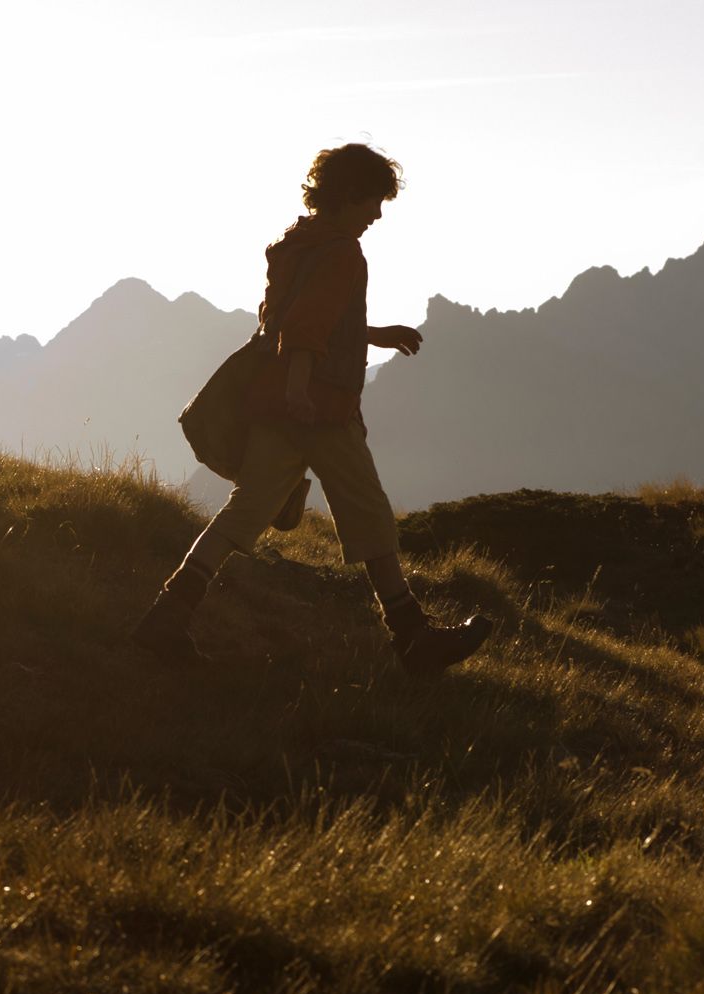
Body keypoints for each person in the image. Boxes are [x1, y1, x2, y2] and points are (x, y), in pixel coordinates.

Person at [132, 143, 492, 676]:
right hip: (320, 408)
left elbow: (293, 320)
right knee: (367, 511)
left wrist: (374, 334)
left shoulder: (297, 244)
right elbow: (303, 330)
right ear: (349, 195)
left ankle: (166, 615)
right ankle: (413, 637)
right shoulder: (343, 250)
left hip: (274, 402)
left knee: (246, 509)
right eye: (374, 201)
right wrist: (302, 388)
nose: (377, 214)